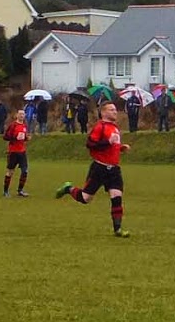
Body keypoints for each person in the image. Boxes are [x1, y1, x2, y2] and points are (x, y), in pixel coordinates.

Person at [56, 100, 131, 238]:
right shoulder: (99, 127)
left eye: (115, 110)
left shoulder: (115, 128)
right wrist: (107, 142)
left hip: (114, 169)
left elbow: (112, 146)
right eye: (111, 110)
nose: (115, 112)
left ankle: (118, 229)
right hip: (99, 168)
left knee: (116, 197)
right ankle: (68, 189)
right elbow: (90, 144)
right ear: (103, 112)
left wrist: (121, 147)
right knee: (85, 198)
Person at [2, 109, 31, 198]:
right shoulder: (13, 125)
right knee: (10, 172)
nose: (22, 115)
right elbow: (5, 137)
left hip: (22, 152)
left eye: (23, 114)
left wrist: (27, 138)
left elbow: (24, 137)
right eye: (20, 114)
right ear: (17, 115)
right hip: (13, 152)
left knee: (25, 171)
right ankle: (6, 191)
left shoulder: (25, 126)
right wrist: (15, 137)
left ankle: (20, 190)